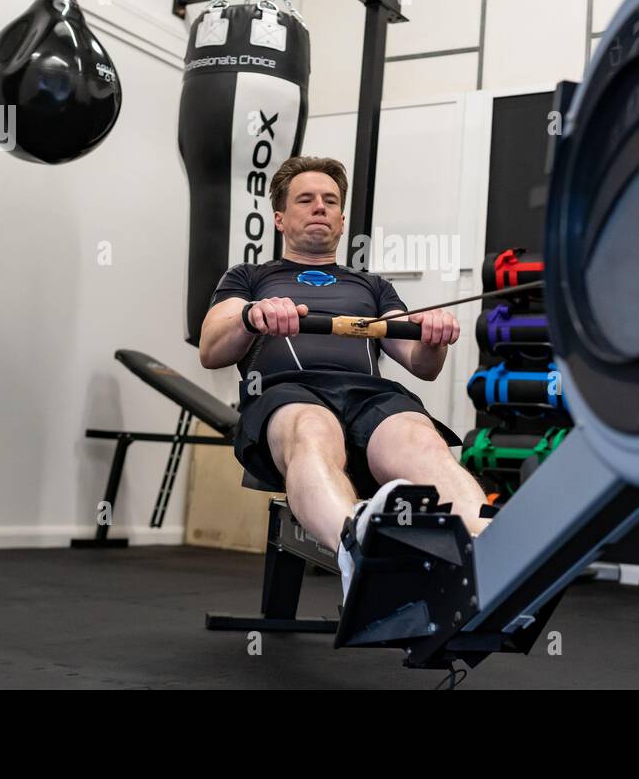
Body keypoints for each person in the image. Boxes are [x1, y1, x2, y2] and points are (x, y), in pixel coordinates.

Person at [197, 156, 490, 597]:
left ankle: (488, 551)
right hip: (288, 393)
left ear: (341, 219)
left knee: (419, 437)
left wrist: (432, 338)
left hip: (369, 397)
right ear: (280, 217)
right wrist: (251, 315)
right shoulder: (250, 277)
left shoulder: (372, 286)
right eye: (306, 199)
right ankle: (359, 550)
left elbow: (421, 365)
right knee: (312, 428)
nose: (320, 207)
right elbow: (210, 349)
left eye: (330, 201)